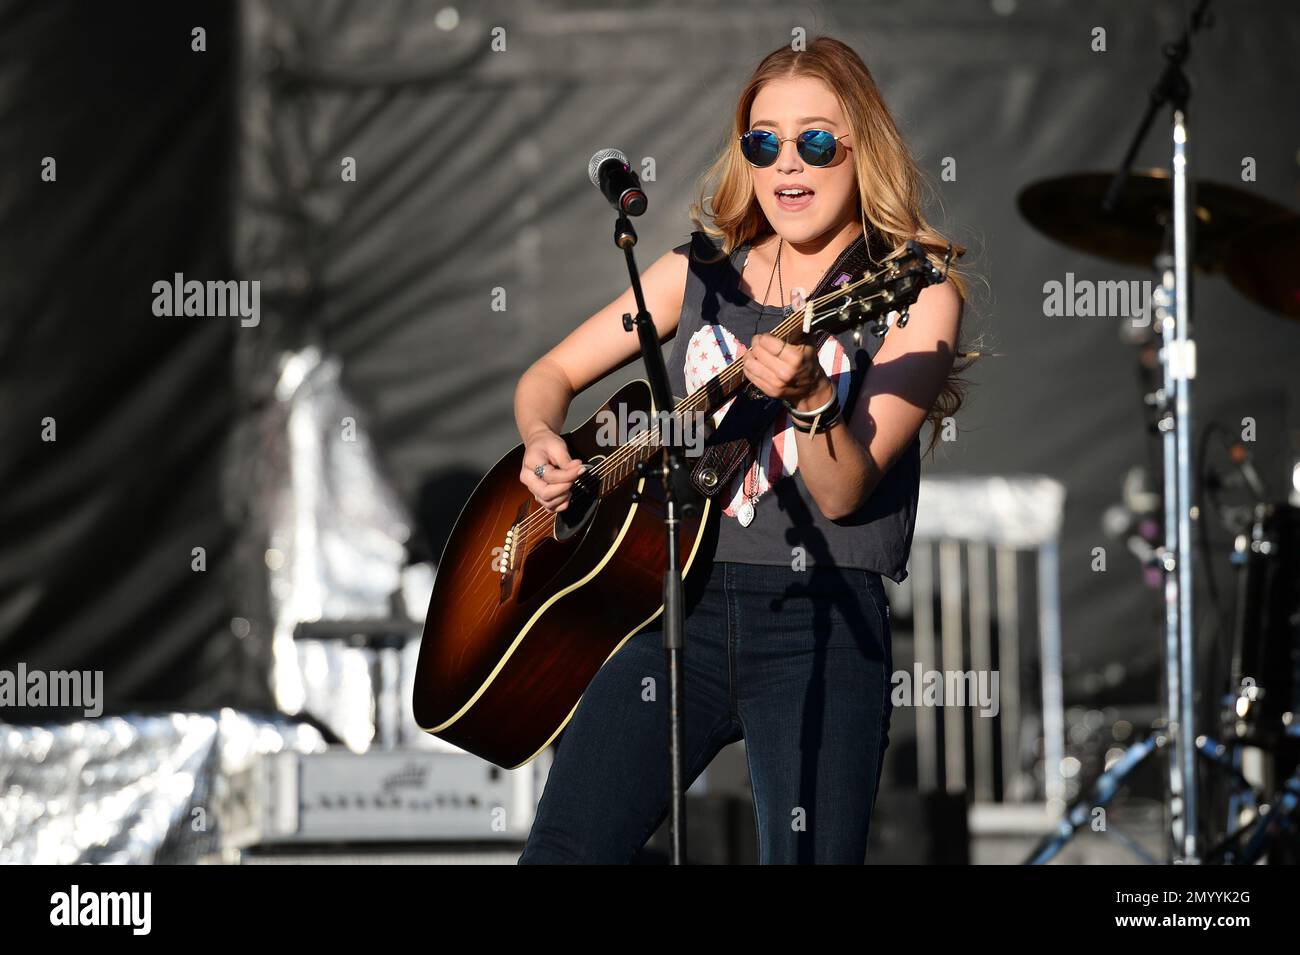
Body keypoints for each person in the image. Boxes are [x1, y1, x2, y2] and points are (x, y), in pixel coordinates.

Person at [513, 35, 968, 864]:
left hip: (820, 622)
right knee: (564, 852)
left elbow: (842, 493)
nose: (788, 164)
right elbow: (549, 373)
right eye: (765, 142)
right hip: (669, 608)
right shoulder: (698, 274)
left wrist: (811, 401)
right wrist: (542, 437)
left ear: (861, 146)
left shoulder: (915, 288)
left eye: (816, 141)